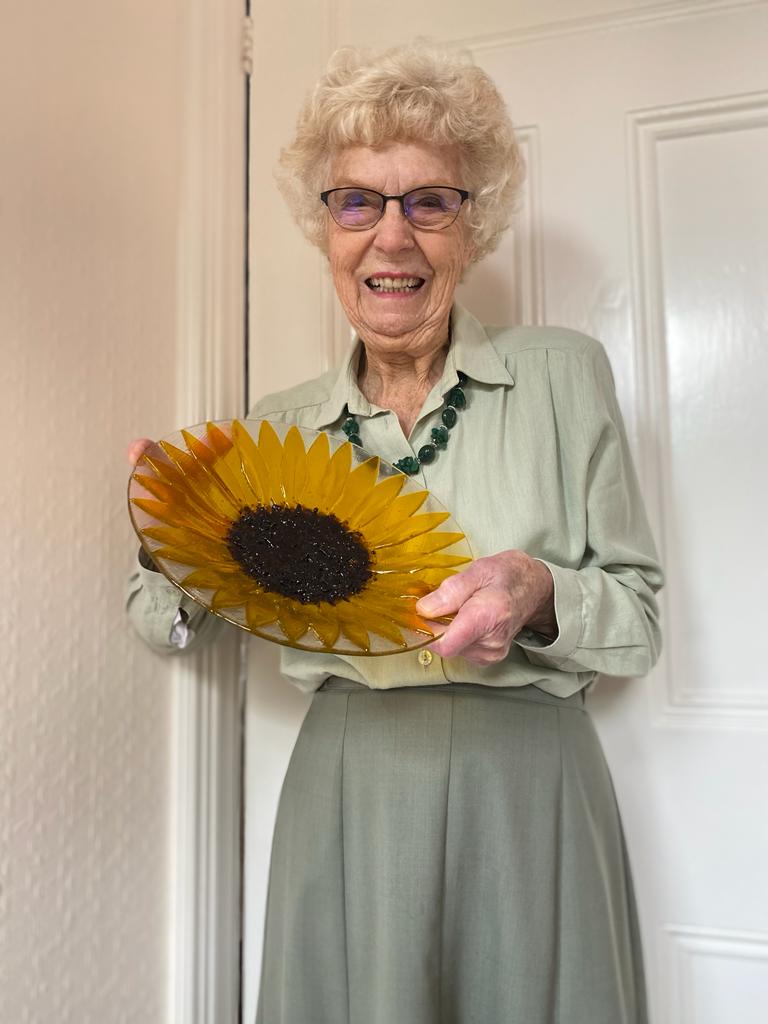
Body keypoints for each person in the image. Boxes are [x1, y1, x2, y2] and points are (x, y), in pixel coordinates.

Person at [128, 41, 663, 1024]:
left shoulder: (565, 376)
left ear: (475, 222)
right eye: (357, 201)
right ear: (326, 226)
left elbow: (639, 617)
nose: (391, 237)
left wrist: (539, 593)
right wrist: (173, 534)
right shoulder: (276, 430)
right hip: (350, 784)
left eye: (430, 201)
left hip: (533, 790)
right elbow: (166, 619)